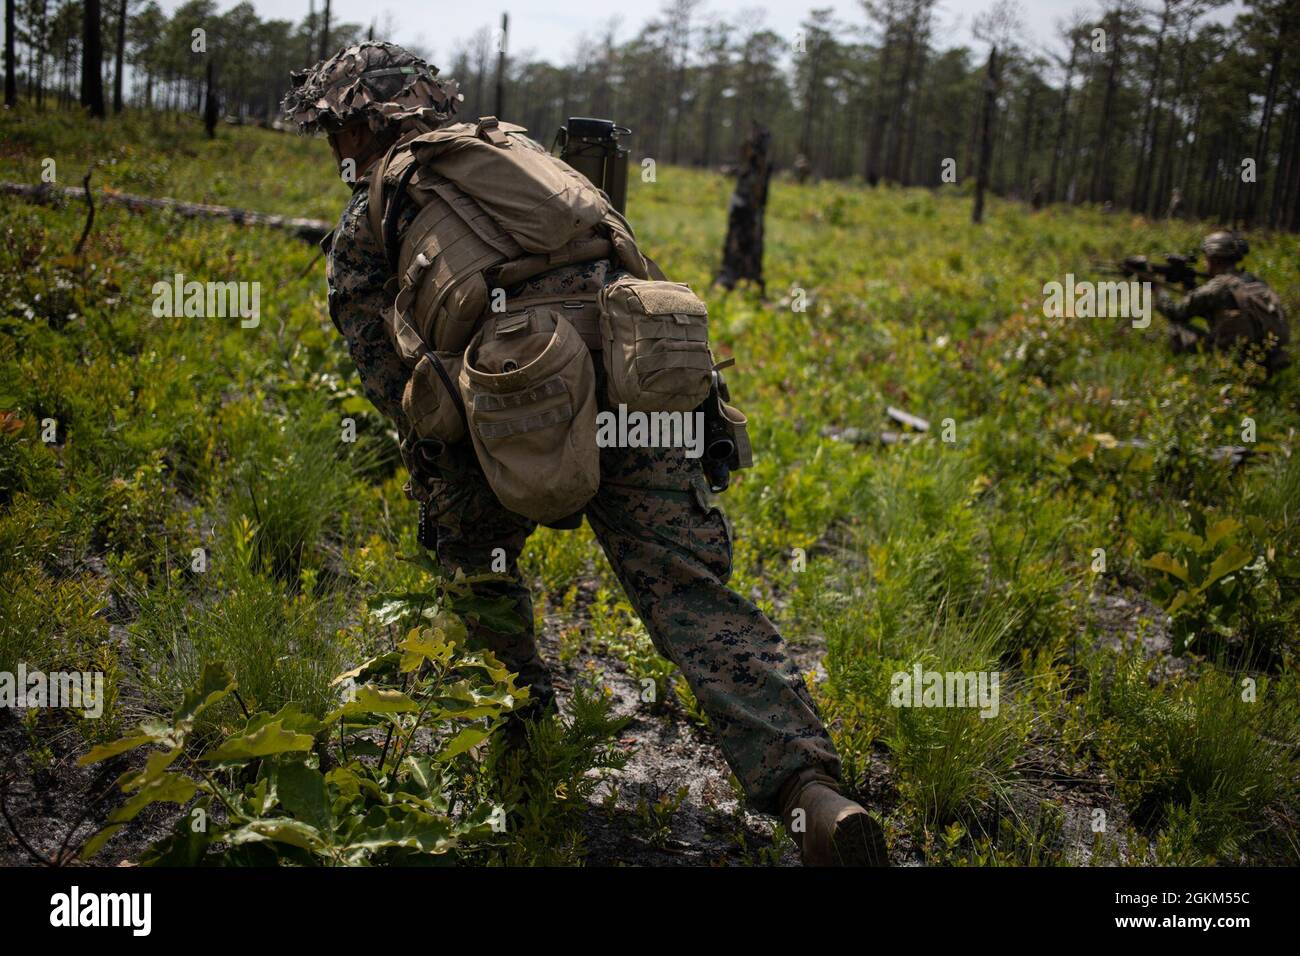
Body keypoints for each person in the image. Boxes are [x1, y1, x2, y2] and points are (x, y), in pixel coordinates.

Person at [282, 41, 888, 866]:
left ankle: (523, 743)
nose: (335, 150)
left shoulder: (371, 216)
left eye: (336, 132)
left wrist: (452, 464)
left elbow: (389, 372)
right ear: (434, 104)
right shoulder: (522, 155)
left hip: (512, 395)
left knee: (478, 569)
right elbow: (625, 254)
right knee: (691, 595)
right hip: (636, 381)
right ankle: (812, 795)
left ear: (357, 128)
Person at [1156, 230, 1290, 373]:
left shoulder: (1218, 286)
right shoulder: (1255, 281)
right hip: (1267, 359)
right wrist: (1190, 286)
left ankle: (1189, 373)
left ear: (1213, 259)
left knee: (1176, 328)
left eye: (1206, 258)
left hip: (1235, 361)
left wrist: (1156, 289)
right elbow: (1218, 308)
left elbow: (1175, 312)